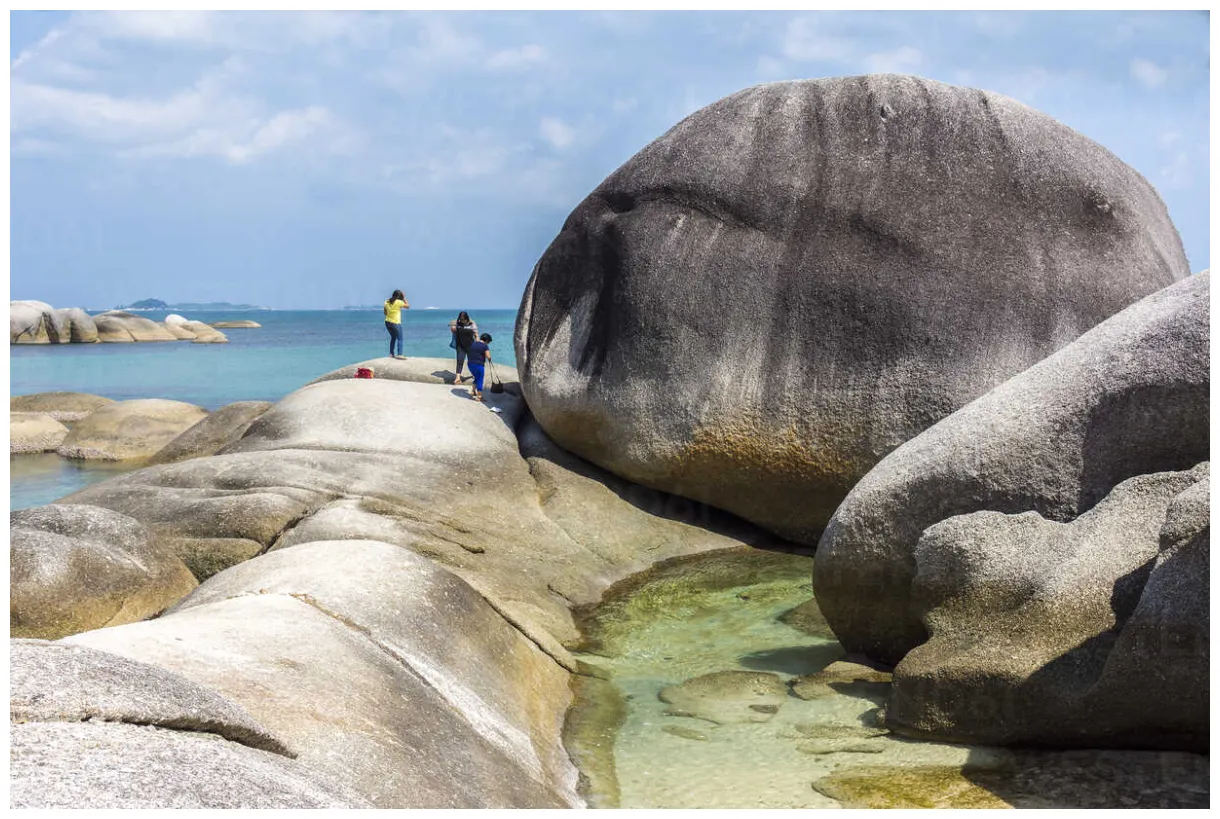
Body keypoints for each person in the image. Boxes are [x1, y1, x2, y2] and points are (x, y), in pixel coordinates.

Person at [449, 311, 478, 383]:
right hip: (460, 345)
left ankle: (474, 374)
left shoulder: (472, 324)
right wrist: (453, 329)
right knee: (460, 360)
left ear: (466, 318)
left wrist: (478, 344)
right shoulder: (457, 324)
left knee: (472, 361)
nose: (462, 321)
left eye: (463, 319)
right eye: (460, 319)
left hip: (470, 345)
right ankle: (458, 378)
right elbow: (452, 329)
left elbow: (476, 335)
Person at [465, 332, 493, 402]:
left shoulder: (473, 344)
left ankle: (473, 391)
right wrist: (489, 359)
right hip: (479, 365)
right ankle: (479, 397)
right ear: (486, 340)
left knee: (477, 377)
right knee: (480, 379)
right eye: (488, 342)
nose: (488, 344)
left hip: (470, 364)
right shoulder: (485, 346)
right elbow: (488, 356)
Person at [384, 290, 409, 359]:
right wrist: (404, 298)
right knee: (400, 338)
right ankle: (400, 354)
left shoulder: (387, 301)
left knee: (393, 337)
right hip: (396, 322)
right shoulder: (399, 302)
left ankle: (391, 354)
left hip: (387, 322)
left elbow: (385, 313)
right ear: (399, 296)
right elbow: (408, 306)